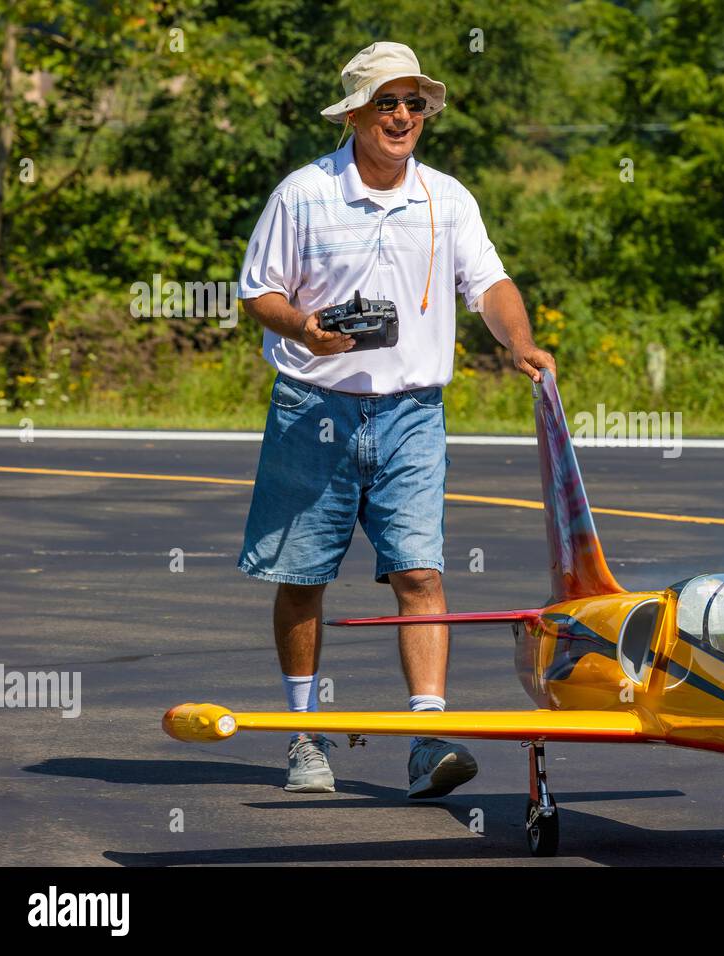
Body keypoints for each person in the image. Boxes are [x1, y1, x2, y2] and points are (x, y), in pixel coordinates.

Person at [235, 41, 556, 798]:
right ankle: (304, 738)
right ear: (354, 114)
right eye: (389, 103)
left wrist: (521, 341)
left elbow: (492, 283)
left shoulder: (448, 199)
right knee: (303, 576)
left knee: (419, 571)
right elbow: (258, 292)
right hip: (314, 407)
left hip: (414, 410)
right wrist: (305, 327)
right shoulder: (302, 194)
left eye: (416, 103)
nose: (406, 116)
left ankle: (428, 736)